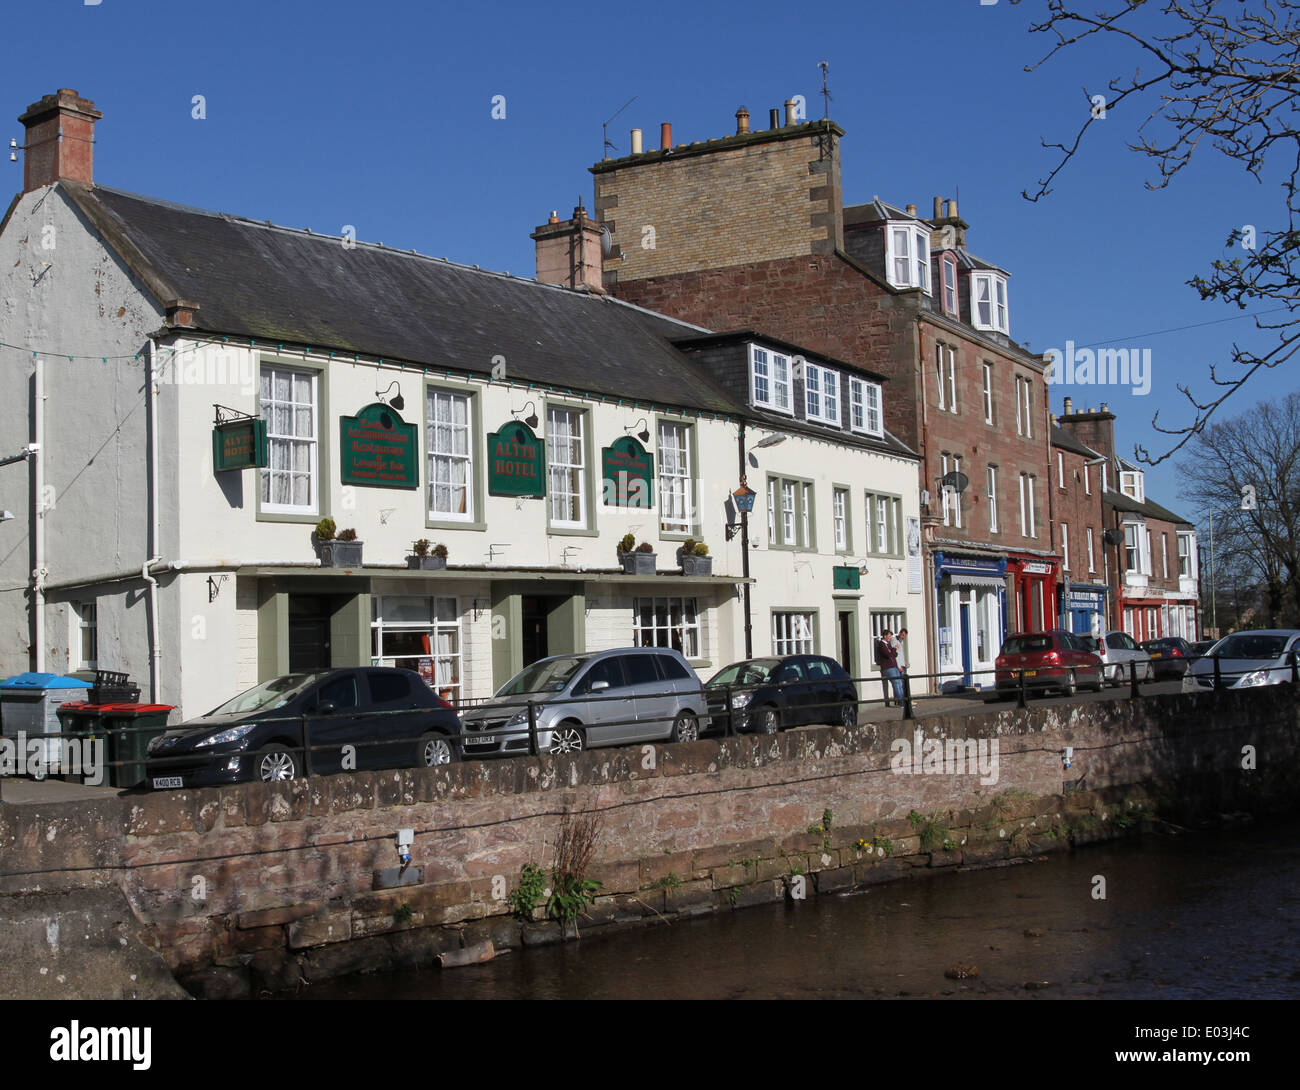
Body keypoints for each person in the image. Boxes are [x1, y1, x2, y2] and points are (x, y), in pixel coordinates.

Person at [874, 629, 904, 706]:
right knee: (896, 683)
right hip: (888, 667)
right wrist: (894, 649)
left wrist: (892, 652)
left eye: (891, 636)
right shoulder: (882, 644)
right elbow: (888, 655)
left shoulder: (888, 644)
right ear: (885, 636)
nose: (890, 638)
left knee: (900, 683)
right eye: (889, 636)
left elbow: (894, 655)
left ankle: (903, 701)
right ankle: (902, 703)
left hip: (894, 666)